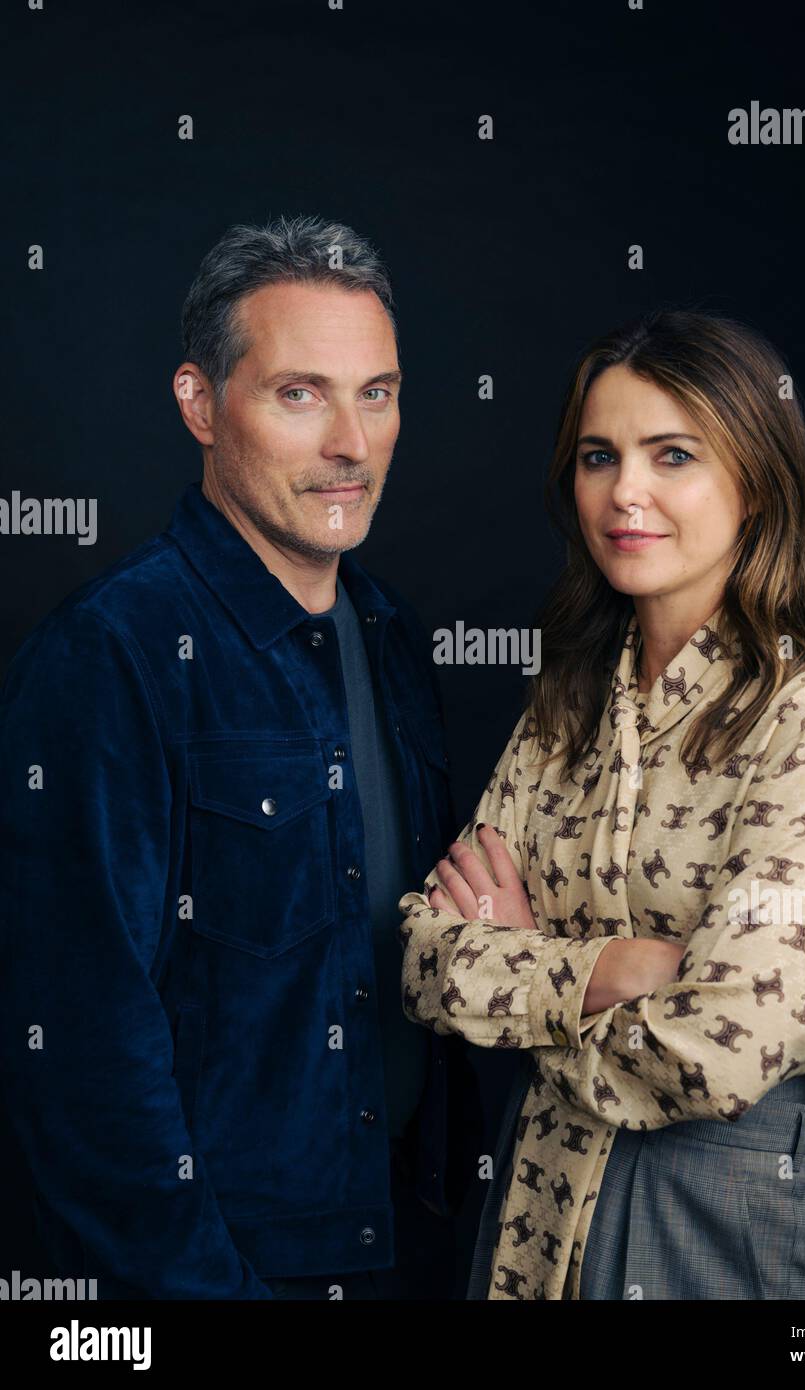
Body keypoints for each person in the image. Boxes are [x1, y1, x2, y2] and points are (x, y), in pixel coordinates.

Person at [0, 214, 480, 1300]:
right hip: (232, 1274)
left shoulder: (394, 636)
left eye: (378, 392)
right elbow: (80, 1059)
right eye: (299, 394)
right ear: (199, 404)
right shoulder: (110, 656)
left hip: (407, 1246)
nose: (351, 443)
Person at [399, 309, 805, 1301]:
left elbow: (725, 1050)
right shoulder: (566, 705)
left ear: (755, 480)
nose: (625, 492)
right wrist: (609, 971)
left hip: (719, 1211)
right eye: (599, 456)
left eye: (672, 455)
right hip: (538, 1206)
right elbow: (422, 955)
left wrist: (526, 975)